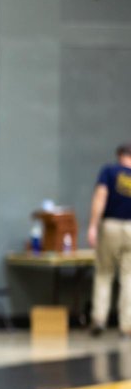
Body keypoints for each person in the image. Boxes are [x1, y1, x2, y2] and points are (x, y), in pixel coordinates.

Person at [87, 143, 131, 337]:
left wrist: (93, 226)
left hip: (111, 226)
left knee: (104, 273)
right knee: (129, 277)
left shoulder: (109, 171)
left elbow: (100, 196)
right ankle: (127, 325)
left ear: (120, 155)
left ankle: (99, 319)